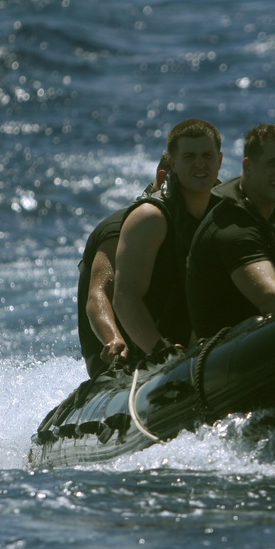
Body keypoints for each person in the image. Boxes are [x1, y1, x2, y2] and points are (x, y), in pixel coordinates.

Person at [186, 123, 275, 340]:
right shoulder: (233, 228)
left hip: (266, 339)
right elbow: (270, 297)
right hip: (228, 351)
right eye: (273, 163)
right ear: (248, 166)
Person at [113, 117, 224, 356]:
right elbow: (125, 296)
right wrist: (161, 351)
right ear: (173, 163)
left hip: (212, 344)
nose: (200, 164)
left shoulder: (226, 213)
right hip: (156, 351)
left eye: (207, 156)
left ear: (220, 160)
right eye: (189, 157)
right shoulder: (150, 218)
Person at [77, 153, 170, 379]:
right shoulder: (120, 229)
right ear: (163, 178)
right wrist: (112, 338)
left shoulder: (188, 225)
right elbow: (98, 295)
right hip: (118, 356)